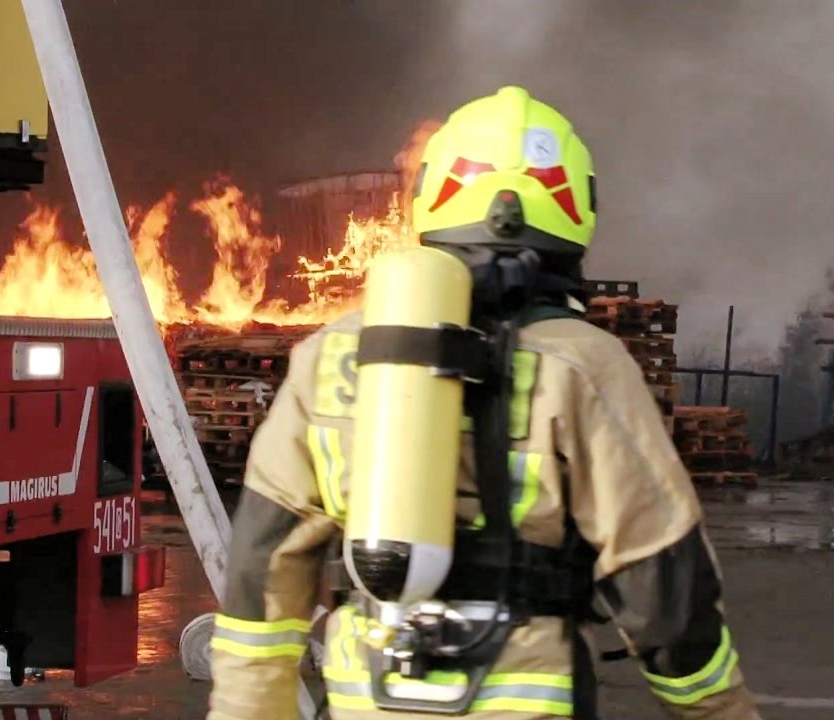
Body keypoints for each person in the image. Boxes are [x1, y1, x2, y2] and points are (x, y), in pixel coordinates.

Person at [206, 86, 762, 720]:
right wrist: (721, 710)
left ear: (434, 199)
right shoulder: (584, 366)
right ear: (574, 210)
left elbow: (262, 565)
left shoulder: (331, 356)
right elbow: (662, 584)